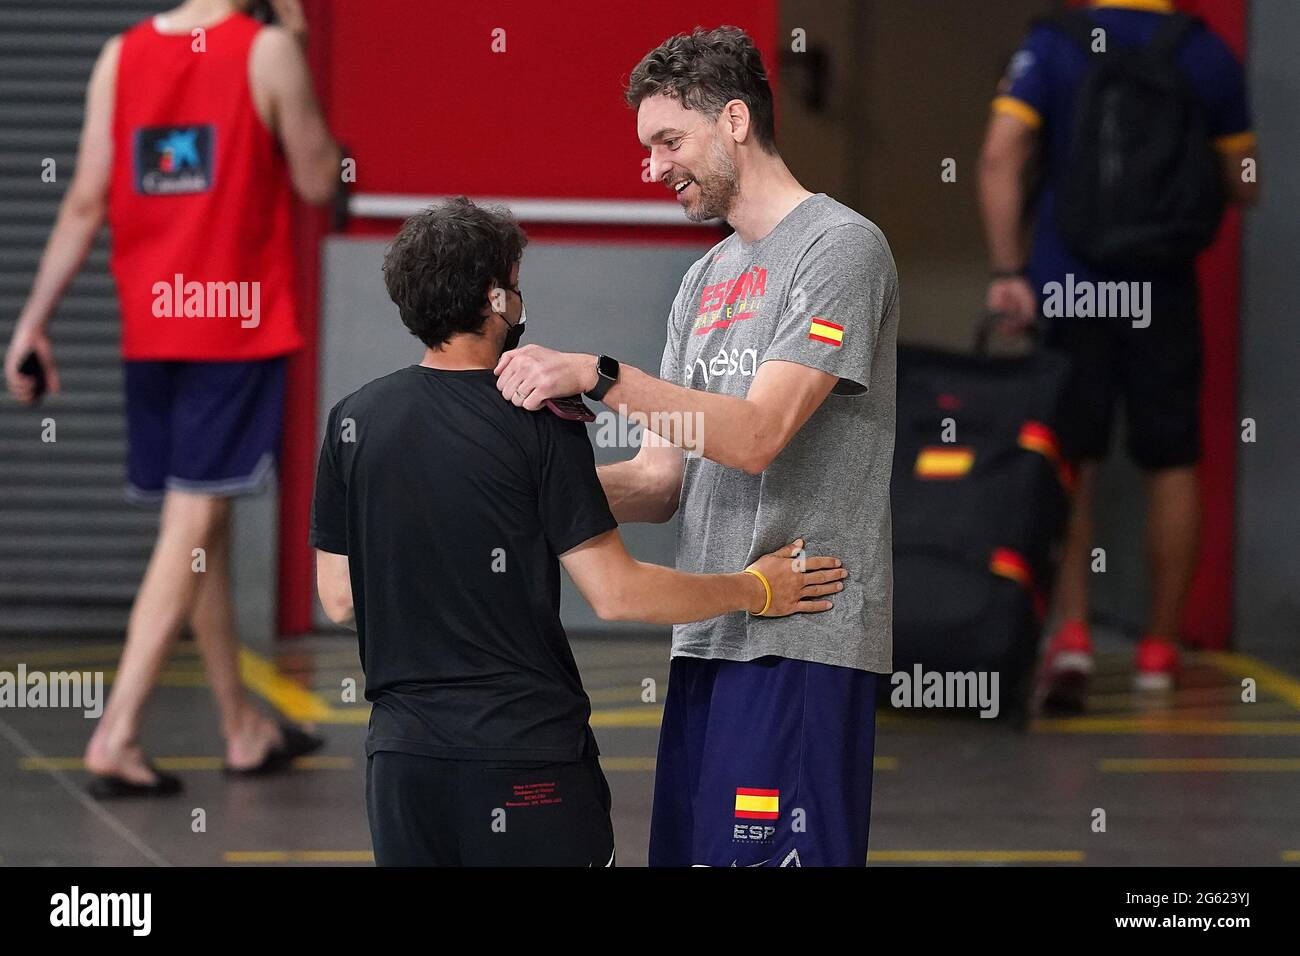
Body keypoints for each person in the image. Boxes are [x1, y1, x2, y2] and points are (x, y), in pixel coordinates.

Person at [310, 197, 846, 866]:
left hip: (401, 766)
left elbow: (338, 596)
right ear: (496, 296)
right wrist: (756, 589)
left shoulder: (352, 421)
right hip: (528, 761)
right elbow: (619, 595)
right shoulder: (541, 421)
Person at [492, 27, 899, 867]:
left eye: (669, 141)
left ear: (737, 121)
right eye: (648, 147)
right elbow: (657, 481)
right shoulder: (706, 280)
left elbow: (757, 437)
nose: (654, 166)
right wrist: (518, 486)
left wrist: (601, 377)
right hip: (712, 633)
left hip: (802, 640)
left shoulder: (840, 249)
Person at [3, 0, 342, 796]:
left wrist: (31, 324)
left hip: (152, 329)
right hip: (232, 330)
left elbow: (87, 197)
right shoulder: (266, 53)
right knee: (194, 520)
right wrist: (296, 45)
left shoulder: (121, 55)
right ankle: (117, 733)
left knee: (203, 528)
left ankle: (240, 726)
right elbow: (320, 175)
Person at [978, 0, 1257, 705]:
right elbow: (1246, 186)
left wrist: (1010, 272)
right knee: (1172, 461)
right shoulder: (1207, 53)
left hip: (1069, 286)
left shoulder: (1053, 45)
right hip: (1163, 290)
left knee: (1073, 459)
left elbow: (997, 157)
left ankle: (1071, 638)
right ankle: (1159, 653)